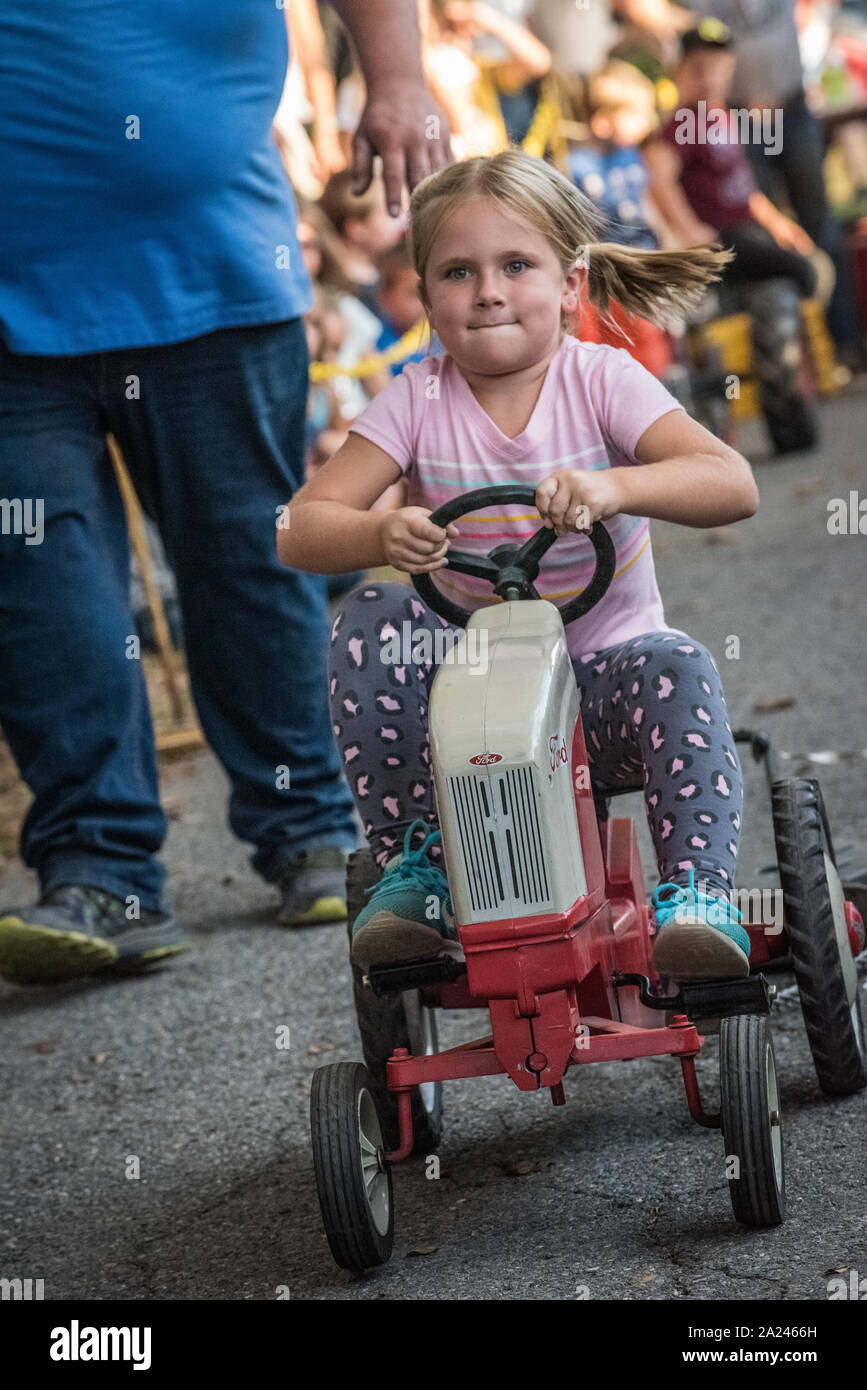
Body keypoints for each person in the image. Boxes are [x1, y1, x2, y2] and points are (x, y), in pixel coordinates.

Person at [0, 0, 451, 986]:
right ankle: (99, 871)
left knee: (247, 554)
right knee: (43, 587)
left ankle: (316, 831)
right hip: (10, 302)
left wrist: (399, 81)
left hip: (208, 266)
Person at [279, 147, 762, 985]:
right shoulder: (416, 397)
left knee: (675, 662)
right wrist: (381, 536)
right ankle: (418, 867)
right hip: (466, 711)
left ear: (570, 284)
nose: (488, 291)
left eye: (515, 265)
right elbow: (299, 528)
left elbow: (732, 482)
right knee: (370, 618)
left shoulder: (600, 379)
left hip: (602, 691)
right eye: (457, 272)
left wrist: (614, 486)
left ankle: (696, 896)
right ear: (425, 296)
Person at [644, 24, 820, 302]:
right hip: (722, 236)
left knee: (813, 262)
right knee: (801, 272)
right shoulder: (684, 121)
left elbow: (744, 185)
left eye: (717, 69)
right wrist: (693, 231)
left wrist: (776, 223)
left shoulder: (725, 115)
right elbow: (658, 177)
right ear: (679, 72)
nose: (709, 80)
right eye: (698, 70)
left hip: (747, 229)